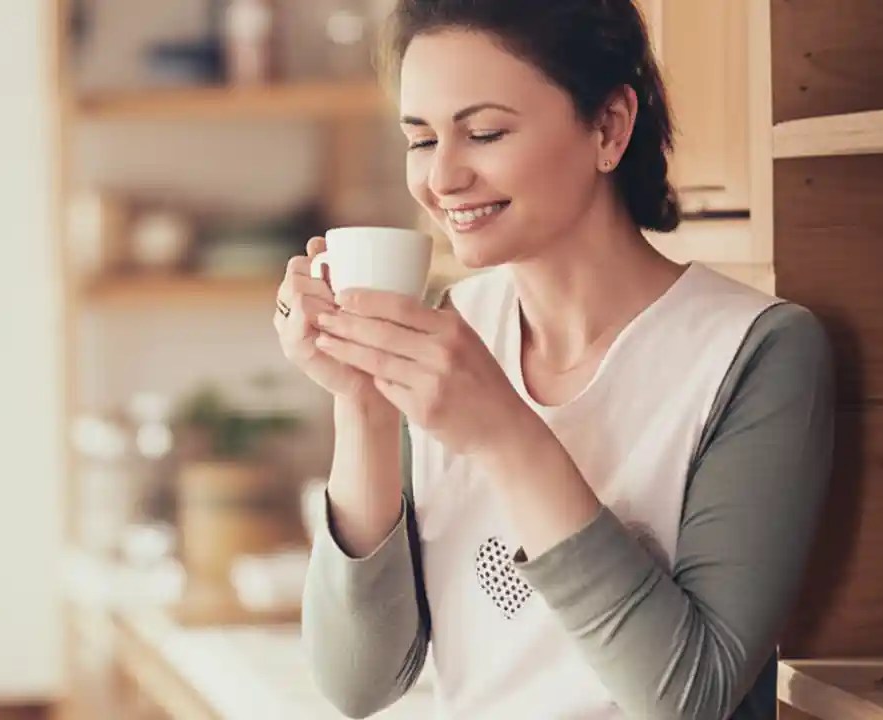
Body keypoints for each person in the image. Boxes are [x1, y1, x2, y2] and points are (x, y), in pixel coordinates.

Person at [272, 1, 836, 718]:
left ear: (608, 127)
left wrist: (505, 435)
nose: (442, 179)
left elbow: (689, 699)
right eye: (420, 140)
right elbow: (357, 682)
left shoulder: (756, 352)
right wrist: (362, 402)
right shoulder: (451, 332)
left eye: (483, 132)